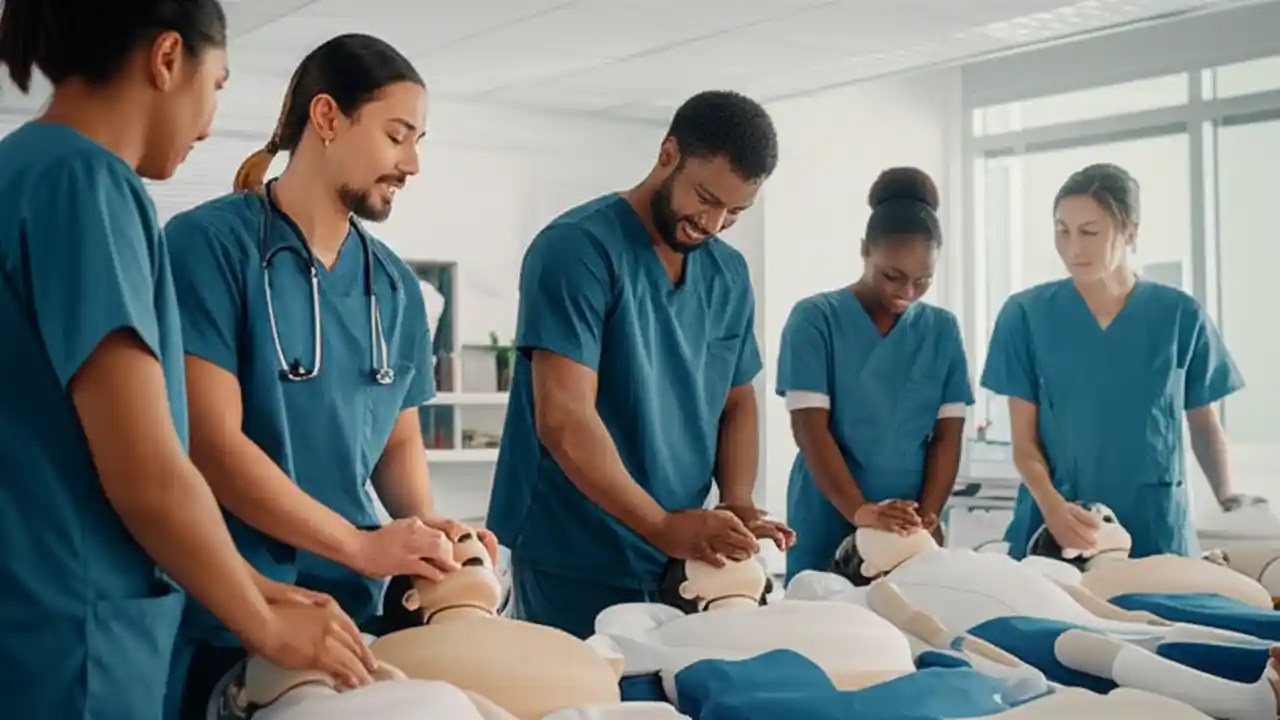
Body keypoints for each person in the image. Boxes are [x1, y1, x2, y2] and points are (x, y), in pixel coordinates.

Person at [0, 3, 377, 718]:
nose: (209, 124)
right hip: (72, 645)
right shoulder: (89, 186)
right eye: (220, 86)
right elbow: (146, 470)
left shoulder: (21, 170)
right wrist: (263, 624)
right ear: (167, 58)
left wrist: (248, 580)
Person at [162, 33, 492, 717]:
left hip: (348, 616)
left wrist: (430, 531)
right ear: (327, 118)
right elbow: (213, 446)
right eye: (398, 135)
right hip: (235, 605)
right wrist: (360, 544)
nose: (413, 163)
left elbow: (395, 441)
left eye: (419, 140)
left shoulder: (395, 289)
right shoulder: (209, 248)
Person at [486, 90, 796, 640]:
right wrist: (660, 525)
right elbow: (563, 418)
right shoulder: (577, 250)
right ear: (668, 154)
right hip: (577, 551)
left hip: (681, 557)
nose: (714, 222)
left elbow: (736, 399)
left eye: (735, 212)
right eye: (705, 198)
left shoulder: (727, 274)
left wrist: (738, 500)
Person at [981, 163, 1246, 561]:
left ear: (1130, 232)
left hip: (1155, 527)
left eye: (1089, 232)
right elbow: (1024, 441)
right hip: (1058, 526)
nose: (1073, 248)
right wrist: (1052, 508)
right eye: (1062, 230)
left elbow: (1203, 422)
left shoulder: (1178, 315)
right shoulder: (1025, 315)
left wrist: (1229, 497)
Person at [777, 167, 972, 581]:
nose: (906, 293)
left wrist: (929, 518)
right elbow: (811, 429)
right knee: (824, 625)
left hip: (911, 520)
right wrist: (860, 511)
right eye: (892, 276)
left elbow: (947, 436)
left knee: (911, 628)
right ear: (865, 250)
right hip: (828, 510)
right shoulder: (816, 319)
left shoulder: (941, 329)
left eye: (923, 281)